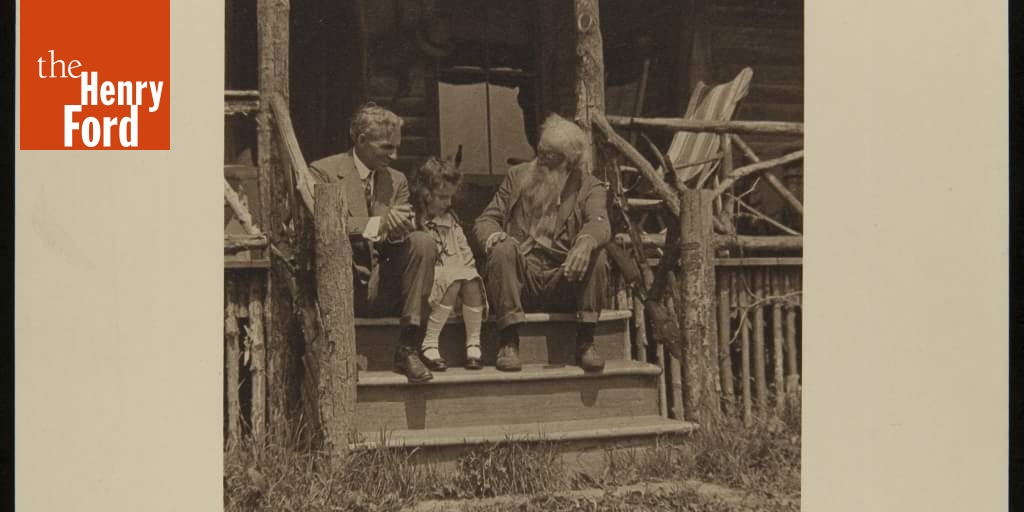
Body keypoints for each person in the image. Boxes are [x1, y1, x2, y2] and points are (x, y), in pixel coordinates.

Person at [308, 103, 436, 383]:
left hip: (381, 286)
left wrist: (400, 230)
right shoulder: (323, 172)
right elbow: (322, 228)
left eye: (397, 147)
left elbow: (396, 235)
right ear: (361, 139)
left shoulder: (397, 180)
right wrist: (379, 224)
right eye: (387, 147)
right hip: (342, 285)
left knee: (423, 242)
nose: (395, 155)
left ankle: (408, 347)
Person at [473, 114, 611, 373]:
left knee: (598, 254)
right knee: (503, 249)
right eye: (540, 152)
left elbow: (599, 223)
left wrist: (586, 242)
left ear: (568, 161)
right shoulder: (517, 176)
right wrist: (493, 236)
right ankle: (508, 342)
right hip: (520, 281)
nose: (540, 161)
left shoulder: (589, 186)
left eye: (549, 156)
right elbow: (485, 220)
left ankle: (586, 341)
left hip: (564, 279)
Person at [409, 157, 488, 371]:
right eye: (443, 197)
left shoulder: (451, 222)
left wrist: (467, 271)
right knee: (453, 279)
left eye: (451, 197)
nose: (448, 203)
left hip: (455, 292)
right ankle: (429, 342)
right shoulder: (415, 222)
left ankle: (473, 343)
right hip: (429, 291)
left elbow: (465, 254)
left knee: (471, 278)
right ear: (425, 194)